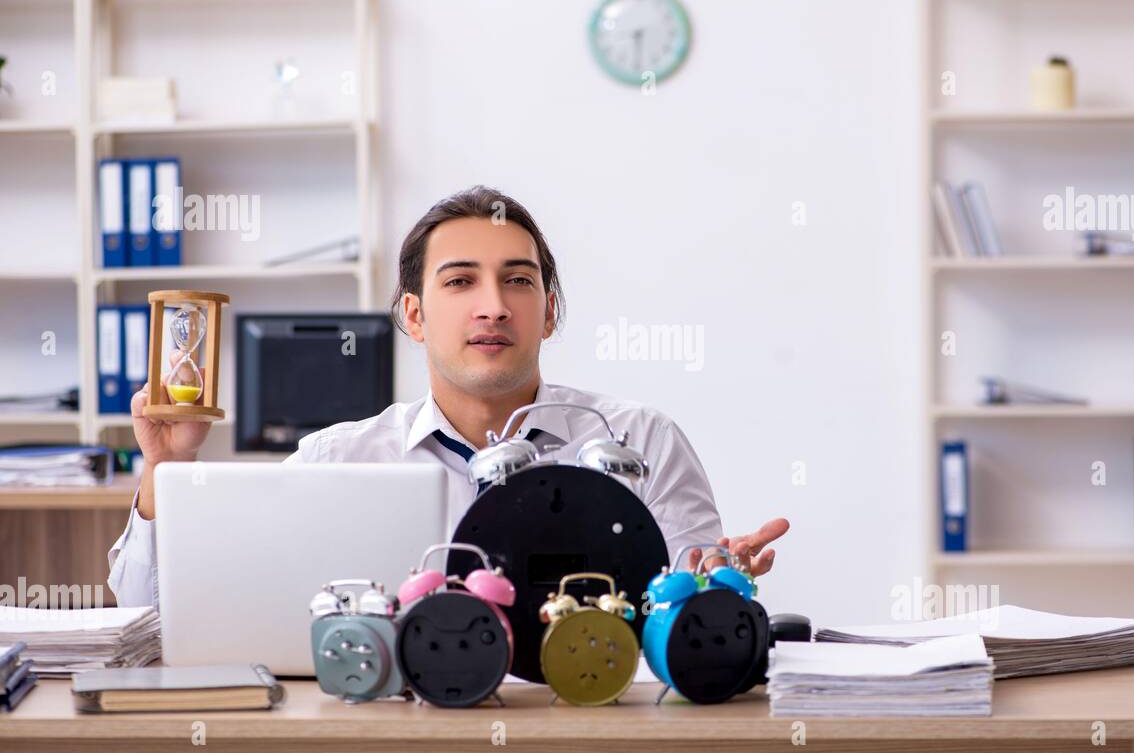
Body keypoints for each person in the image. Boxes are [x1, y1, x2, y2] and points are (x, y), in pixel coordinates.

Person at [107, 185, 788, 608]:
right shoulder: (338, 460)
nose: (492, 307)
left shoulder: (641, 441)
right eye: (460, 281)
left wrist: (718, 583)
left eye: (517, 282)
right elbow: (150, 614)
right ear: (413, 314)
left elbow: (693, 613)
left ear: (549, 311)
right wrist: (161, 471)